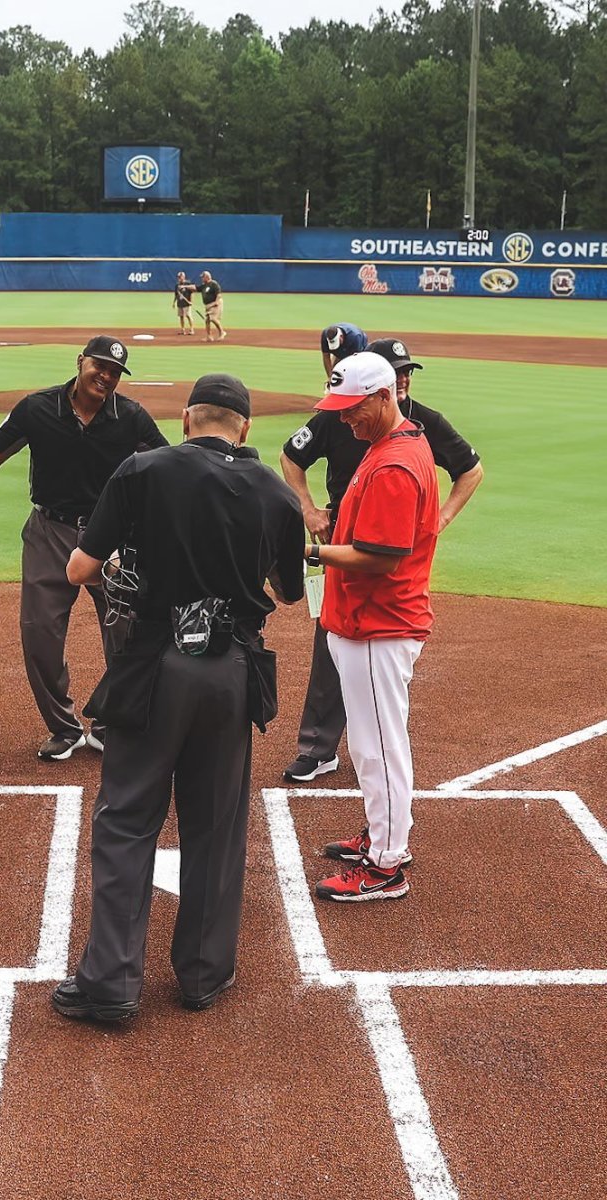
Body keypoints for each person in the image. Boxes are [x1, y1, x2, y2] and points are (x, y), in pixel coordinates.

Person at [51, 374, 306, 1021]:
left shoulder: (142, 470)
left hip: (152, 666)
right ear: (243, 427)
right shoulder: (276, 491)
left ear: (187, 418)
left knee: (127, 819)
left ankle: (110, 984)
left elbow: (79, 569)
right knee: (216, 826)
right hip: (231, 671)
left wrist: (118, 565)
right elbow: (289, 592)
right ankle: (203, 975)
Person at [0, 335, 169, 761]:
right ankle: (64, 727)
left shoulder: (132, 417)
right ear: (81, 361)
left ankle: (109, 722)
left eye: (115, 372)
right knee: (39, 633)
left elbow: (166, 465)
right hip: (50, 530)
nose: (105, 376)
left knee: (126, 632)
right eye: (99, 365)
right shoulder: (38, 408)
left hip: (112, 538)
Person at [280, 335, 483, 782]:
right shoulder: (340, 415)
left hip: (385, 547)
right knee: (331, 638)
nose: (406, 377)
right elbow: (291, 456)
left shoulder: (420, 426)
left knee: (378, 648)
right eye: (399, 370)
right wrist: (309, 510)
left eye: (408, 370)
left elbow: (471, 469)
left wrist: (439, 519)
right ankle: (320, 747)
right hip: (341, 536)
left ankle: (379, 750)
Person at [301, 352, 440, 902]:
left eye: (353, 408)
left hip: (380, 624)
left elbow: (381, 555)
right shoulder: (386, 446)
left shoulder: (394, 466)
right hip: (366, 621)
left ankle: (385, 864)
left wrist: (311, 551)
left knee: (379, 745)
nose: (344, 418)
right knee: (369, 743)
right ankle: (383, 836)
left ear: (385, 396)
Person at [195, 271, 226, 342]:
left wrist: (216, 302)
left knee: (213, 318)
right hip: (208, 305)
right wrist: (185, 287)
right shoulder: (204, 285)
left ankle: (222, 332)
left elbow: (219, 294)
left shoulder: (214, 284)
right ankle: (209, 336)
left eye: (203, 277)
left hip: (215, 303)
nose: (202, 279)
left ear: (207, 277)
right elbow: (196, 288)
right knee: (207, 320)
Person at [172, 271, 195, 335]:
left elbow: (192, 293)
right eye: (178, 277)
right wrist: (174, 302)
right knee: (181, 316)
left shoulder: (188, 284)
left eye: (180, 277)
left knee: (188, 316)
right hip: (180, 303)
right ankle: (183, 330)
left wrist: (191, 301)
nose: (179, 278)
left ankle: (191, 329)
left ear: (183, 277)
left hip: (186, 303)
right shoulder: (177, 285)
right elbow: (176, 295)